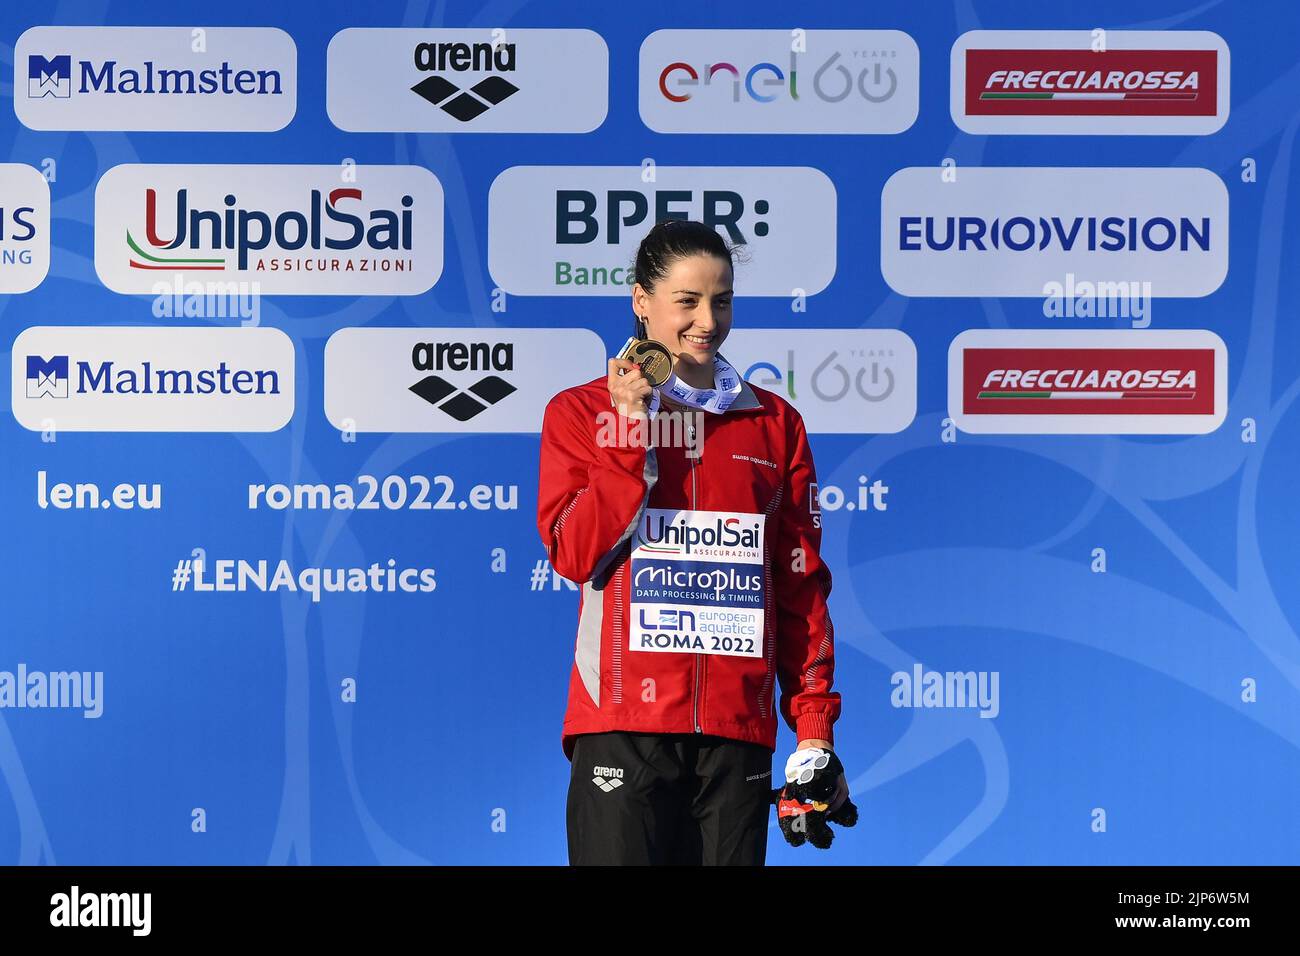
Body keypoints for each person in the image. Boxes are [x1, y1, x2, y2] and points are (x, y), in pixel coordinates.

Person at [536, 219, 851, 865]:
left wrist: (813, 733)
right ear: (640, 300)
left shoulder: (774, 423)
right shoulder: (579, 412)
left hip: (737, 732)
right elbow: (576, 554)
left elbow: (797, 585)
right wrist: (629, 429)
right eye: (687, 301)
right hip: (623, 727)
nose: (708, 320)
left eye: (723, 299)